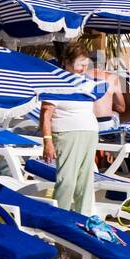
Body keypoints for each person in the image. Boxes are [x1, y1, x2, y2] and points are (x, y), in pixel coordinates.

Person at [42, 43, 101, 215]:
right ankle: (61, 217)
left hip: (90, 133)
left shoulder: (88, 84)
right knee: (67, 180)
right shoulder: (55, 82)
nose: (84, 67)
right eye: (80, 63)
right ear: (67, 61)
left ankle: (83, 217)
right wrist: (47, 141)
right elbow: (46, 114)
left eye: (86, 63)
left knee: (85, 180)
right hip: (67, 133)